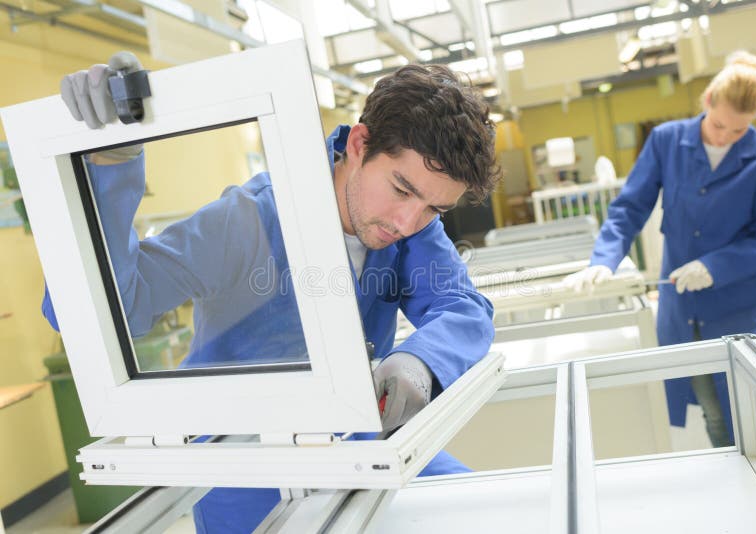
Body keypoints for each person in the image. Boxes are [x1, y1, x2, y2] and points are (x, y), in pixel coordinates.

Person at [43, 52, 501, 532]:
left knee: (489, 512)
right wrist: (107, 167)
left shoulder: (412, 228)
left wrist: (420, 361)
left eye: (434, 208)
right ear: (361, 144)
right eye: (402, 189)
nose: (408, 222)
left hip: (360, 441)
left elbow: (464, 308)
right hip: (244, 464)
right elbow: (102, 310)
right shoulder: (249, 220)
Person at [565, 51, 756, 463]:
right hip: (684, 313)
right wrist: (604, 258)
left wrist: (715, 266)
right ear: (706, 100)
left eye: (739, 131)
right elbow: (629, 208)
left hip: (741, 311)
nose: (724, 137)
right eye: (720, 124)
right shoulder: (667, 141)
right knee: (717, 420)